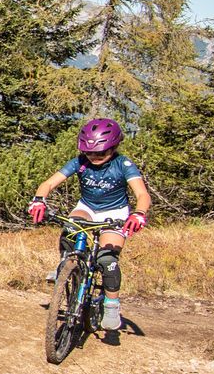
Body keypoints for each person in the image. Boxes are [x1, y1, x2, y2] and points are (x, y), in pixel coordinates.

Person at [29, 117, 151, 336]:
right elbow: (48, 183)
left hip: (115, 212)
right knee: (70, 228)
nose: (94, 157)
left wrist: (139, 213)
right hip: (87, 207)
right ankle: (66, 266)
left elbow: (142, 194)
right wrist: (39, 199)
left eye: (100, 153)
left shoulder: (123, 164)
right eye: (89, 153)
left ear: (113, 148)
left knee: (107, 259)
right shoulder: (80, 162)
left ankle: (111, 306)